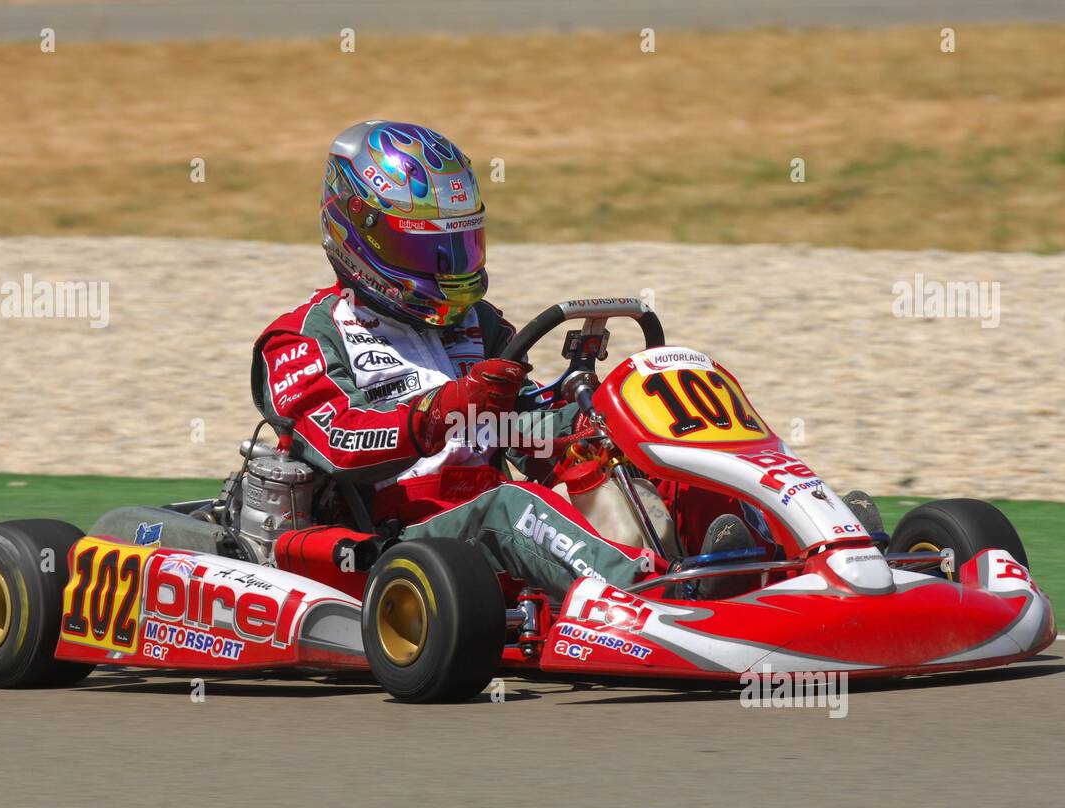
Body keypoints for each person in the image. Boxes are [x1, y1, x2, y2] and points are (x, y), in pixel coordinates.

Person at [252, 121, 730, 598]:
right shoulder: (304, 335)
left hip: (491, 529)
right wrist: (445, 408)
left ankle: (742, 565)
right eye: (426, 247)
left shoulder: (479, 325)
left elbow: (523, 436)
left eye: (459, 244)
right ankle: (657, 601)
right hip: (394, 544)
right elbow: (338, 442)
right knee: (509, 508)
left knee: (633, 462)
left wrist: (588, 425)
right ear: (360, 230)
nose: (450, 265)